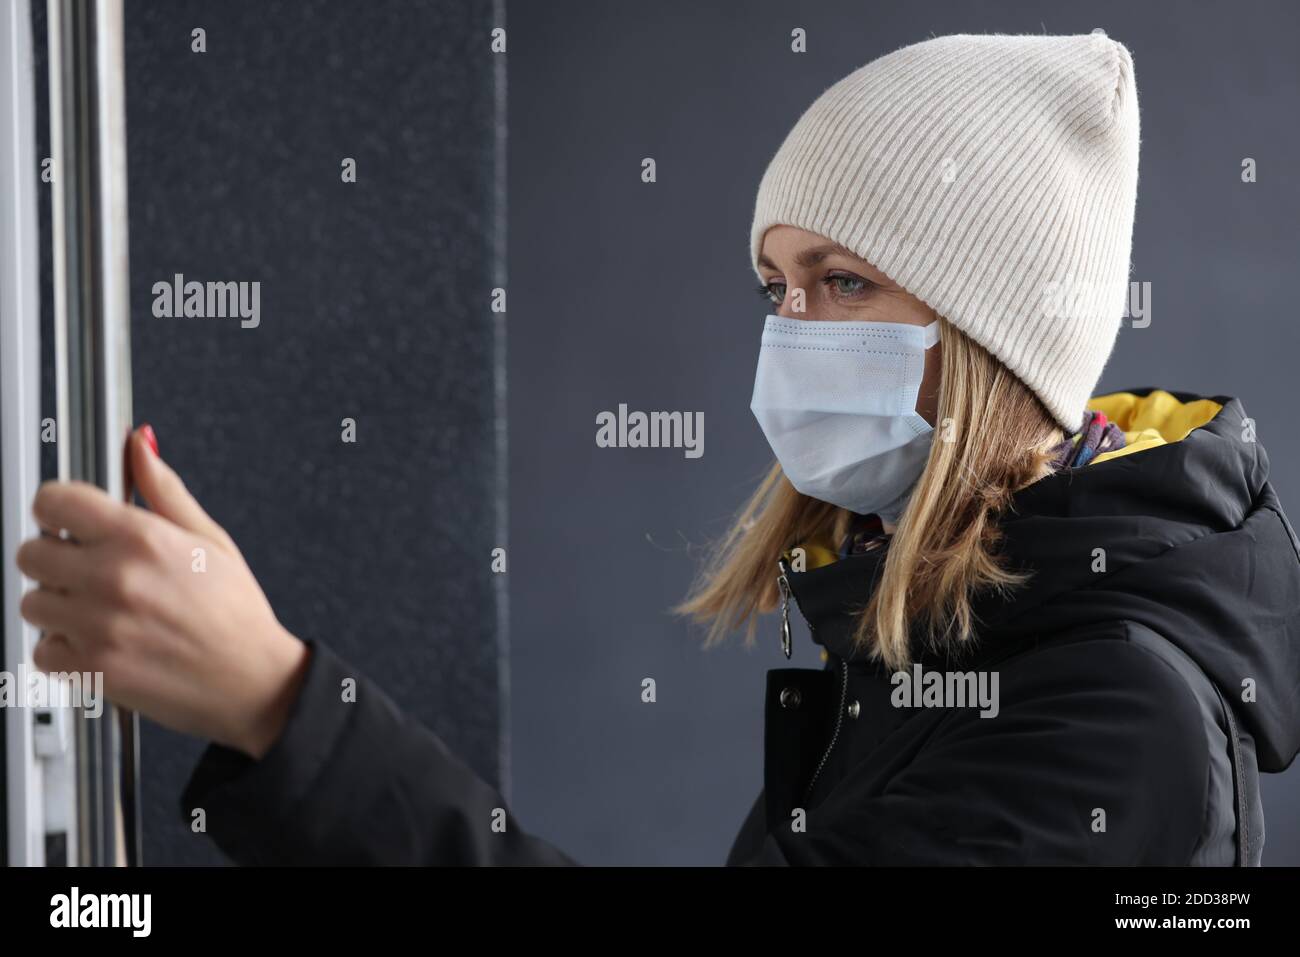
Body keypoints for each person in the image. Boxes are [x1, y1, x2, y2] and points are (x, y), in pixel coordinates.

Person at [15, 32, 1300, 866]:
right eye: (773, 286)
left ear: (995, 329)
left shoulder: (1109, 715)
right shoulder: (947, 635)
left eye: (842, 282)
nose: (790, 329)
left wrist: (281, 703)